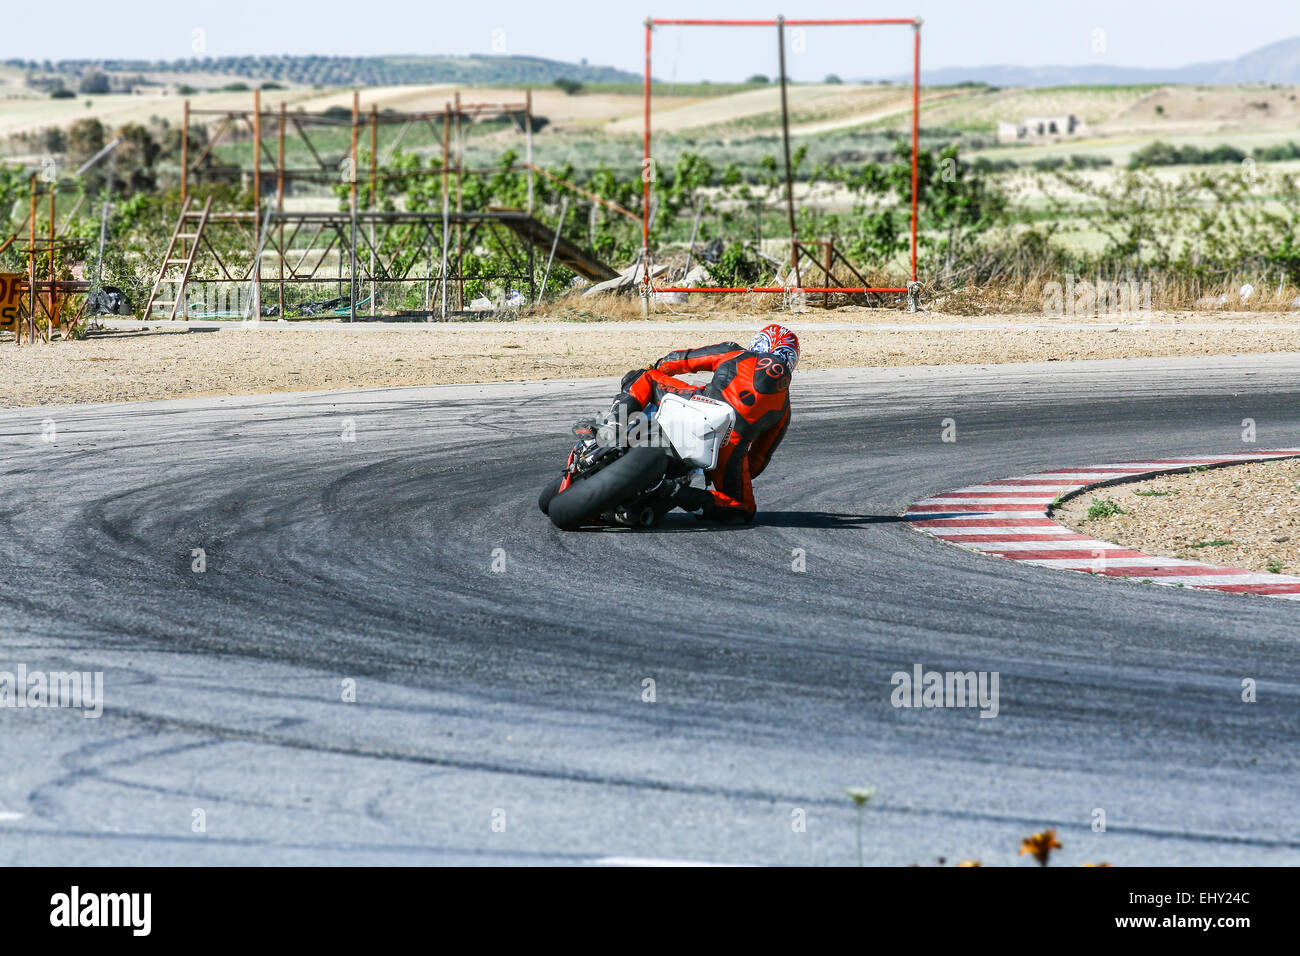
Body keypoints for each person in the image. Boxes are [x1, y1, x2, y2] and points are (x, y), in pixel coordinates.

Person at [610, 323, 798, 523]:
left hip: (698, 404)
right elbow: (757, 462)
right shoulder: (784, 409)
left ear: (758, 343)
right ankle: (676, 492)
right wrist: (731, 472)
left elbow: (684, 359)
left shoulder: (735, 352)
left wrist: (659, 366)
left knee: (644, 377)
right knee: (743, 510)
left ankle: (613, 427)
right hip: (727, 446)